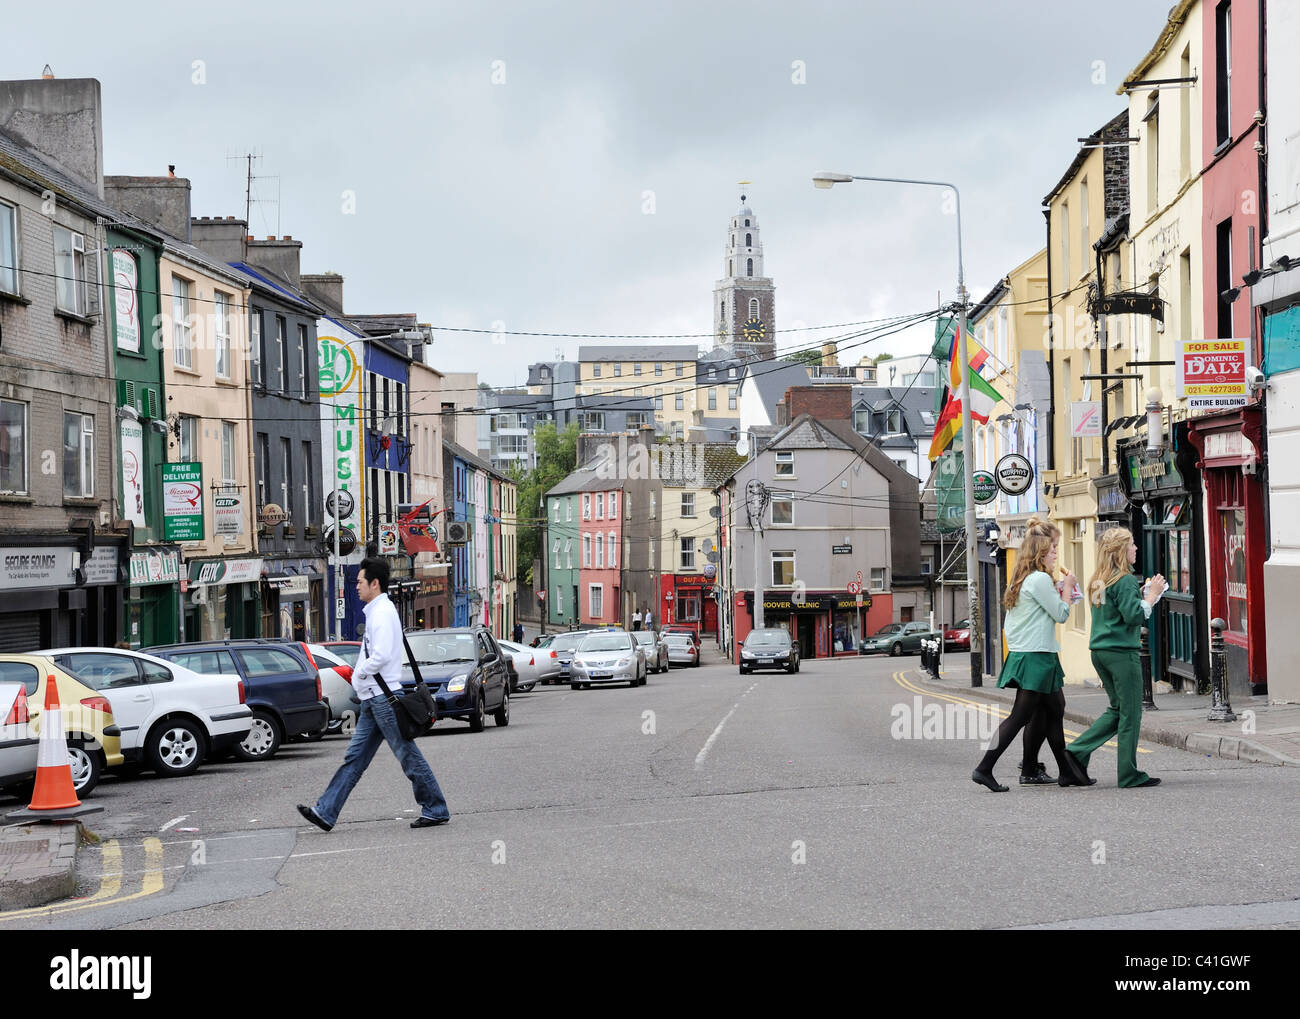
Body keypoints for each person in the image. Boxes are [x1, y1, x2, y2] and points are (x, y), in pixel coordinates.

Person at [298, 557, 451, 831]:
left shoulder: (381, 613)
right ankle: (325, 812)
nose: (356, 586)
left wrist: (358, 674)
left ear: (375, 583)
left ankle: (436, 808)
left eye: (360, 581)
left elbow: (379, 656)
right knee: (354, 759)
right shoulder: (379, 610)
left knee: (407, 755)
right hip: (373, 698)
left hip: (383, 699)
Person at [972, 527, 1094, 792]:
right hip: (1035, 654)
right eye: (1052, 551)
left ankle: (1061, 771)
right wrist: (1069, 587)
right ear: (1039, 553)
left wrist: (1060, 589)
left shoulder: (1028, 578)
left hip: (1034, 652)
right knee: (1020, 716)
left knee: (1053, 709)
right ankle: (984, 768)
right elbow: (1061, 614)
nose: (1055, 554)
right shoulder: (1038, 579)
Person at [1067, 528, 1166, 788]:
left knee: (1117, 709)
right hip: (1121, 652)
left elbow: (1115, 609)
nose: (1136, 548)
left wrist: (1140, 594)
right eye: (1132, 544)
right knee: (1130, 714)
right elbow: (1134, 616)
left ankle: (1076, 752)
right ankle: (1128, 774)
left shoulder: (1099, 580)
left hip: (1100, 651)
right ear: (1122, 550)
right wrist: (1153, 595)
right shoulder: (1124, 580)